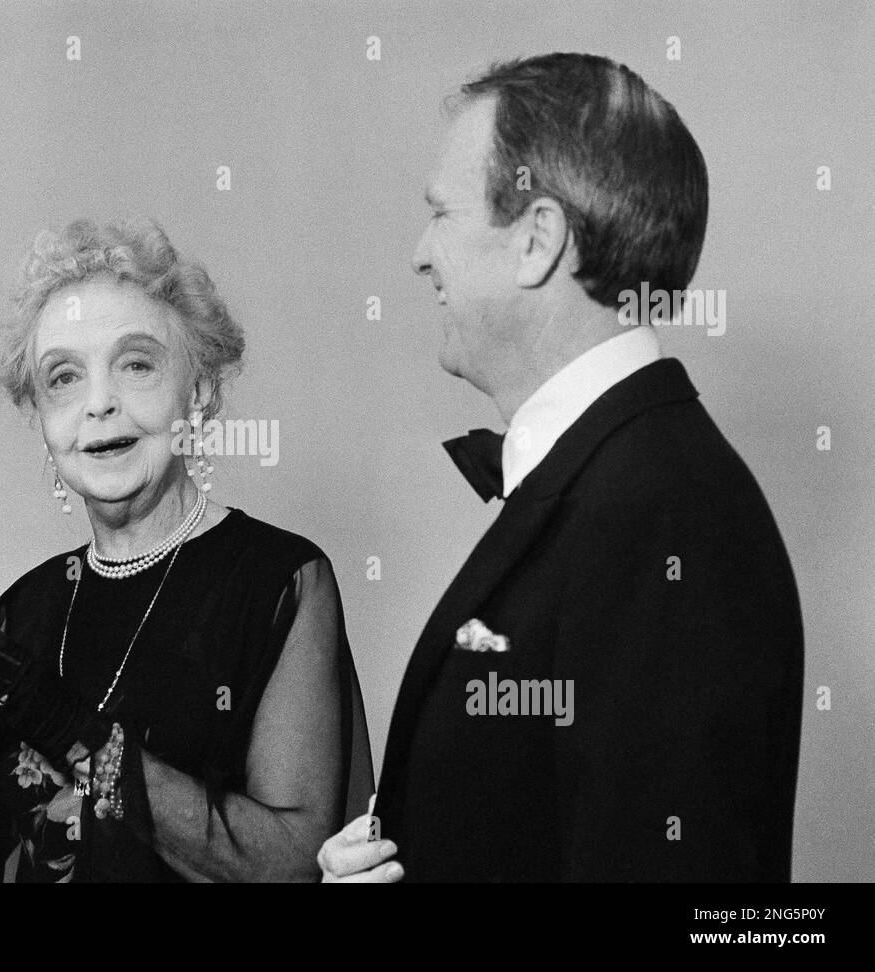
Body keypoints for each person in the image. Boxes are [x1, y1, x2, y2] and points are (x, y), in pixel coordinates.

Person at [319, 53, 803, 882]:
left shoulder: (664, 519)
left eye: (440, 213)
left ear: (538, 239)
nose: (419, 255)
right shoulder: (631, 481)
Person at [0, 217, 372, 882]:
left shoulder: (279, 581)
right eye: (63, 379)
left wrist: (72, 730)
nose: (99, 405)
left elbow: (291, 862)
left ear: (197, 390)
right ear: (39, 419)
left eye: (136, 365)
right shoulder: (27, 607)